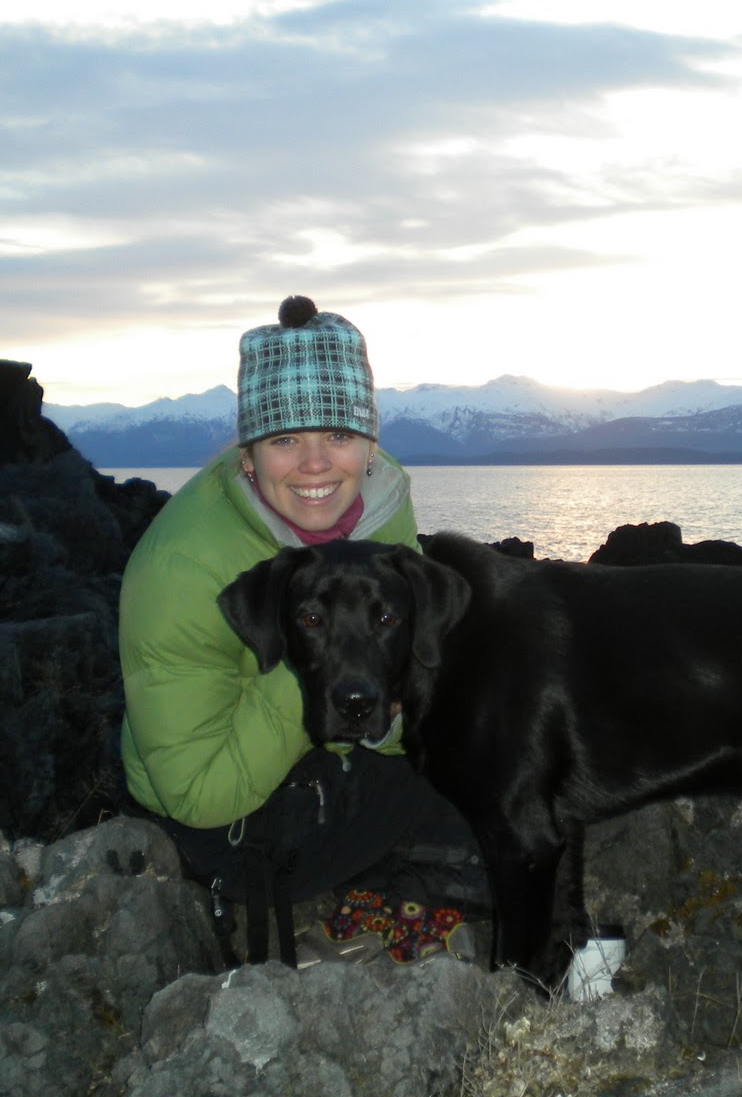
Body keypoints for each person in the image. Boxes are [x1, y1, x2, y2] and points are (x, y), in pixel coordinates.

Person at [118, 295, 486, 966]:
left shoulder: (379, 507)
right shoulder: (184, 573)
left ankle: (385, 901)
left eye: (338, 437)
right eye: (286, 440)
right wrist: (314, 675)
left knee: (496, 735)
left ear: (369, 446)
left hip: (323, 754)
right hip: (222, 823)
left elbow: (406, 669)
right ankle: (375, 912)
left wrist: (390, 704)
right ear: (249, 456)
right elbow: (196, 794)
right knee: (479, 790)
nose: (316, 465)